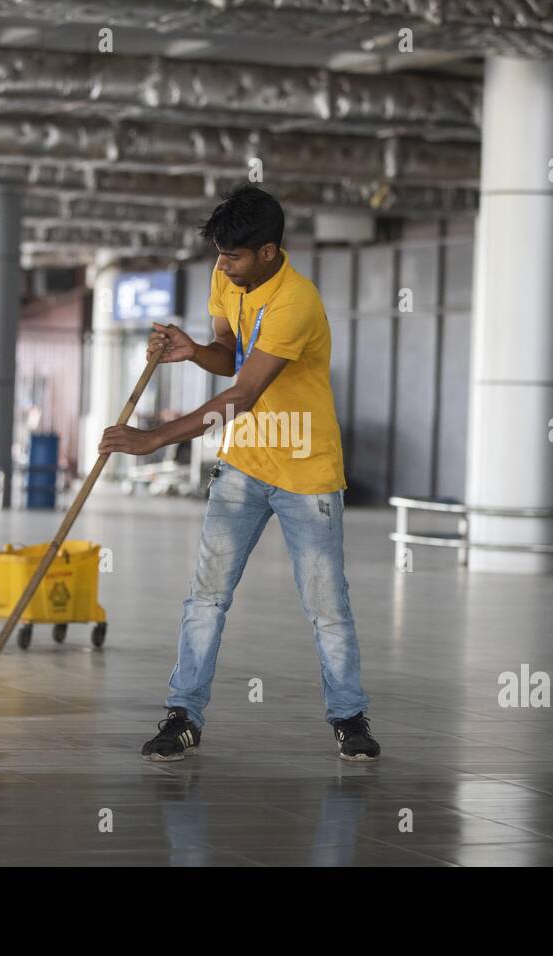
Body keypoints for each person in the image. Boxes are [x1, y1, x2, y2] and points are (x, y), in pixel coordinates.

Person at [98, 183, 380, 762]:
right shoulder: (230, 278)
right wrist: (192, 349)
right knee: (206, 596)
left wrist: (154, 439)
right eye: (219, 254)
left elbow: (245, 393)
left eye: (234, 256)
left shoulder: (296, 302)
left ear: (269, 253)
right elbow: (232, 356)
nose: (222, 266)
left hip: (307, 470)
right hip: (243, 465)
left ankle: (349, 718)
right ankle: (183, 716)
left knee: (327, 606)